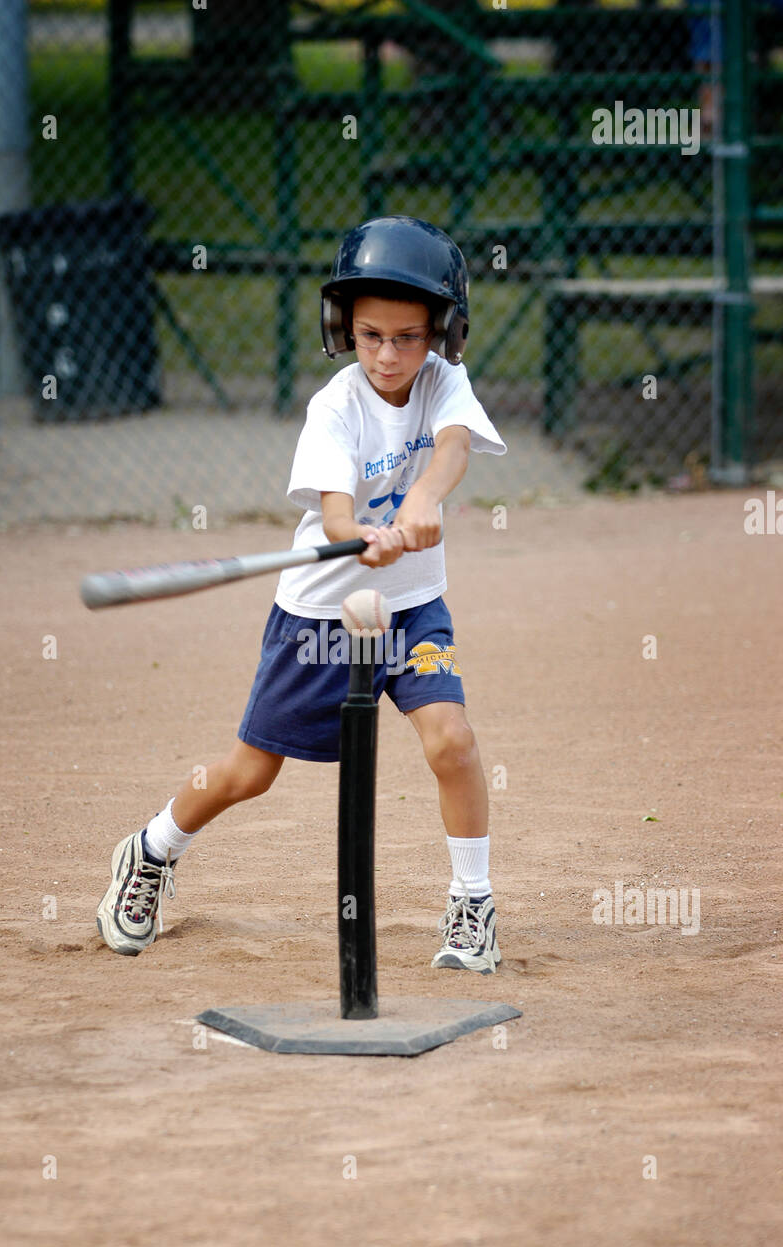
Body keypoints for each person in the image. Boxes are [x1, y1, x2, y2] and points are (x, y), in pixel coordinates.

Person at [96, 216, 507, 973]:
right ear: (343, 328)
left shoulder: (447, 383)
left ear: (443, 333)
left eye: (408, 337)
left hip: (412, 609)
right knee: (250, 774)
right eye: (371, 334)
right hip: (321, 615)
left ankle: (473, 902)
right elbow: (335, 510)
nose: (388, 354)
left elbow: (451, 448)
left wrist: (423, 500)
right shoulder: (336, 405)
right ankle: (152, 850)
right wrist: (365, 533)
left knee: (452, 740)